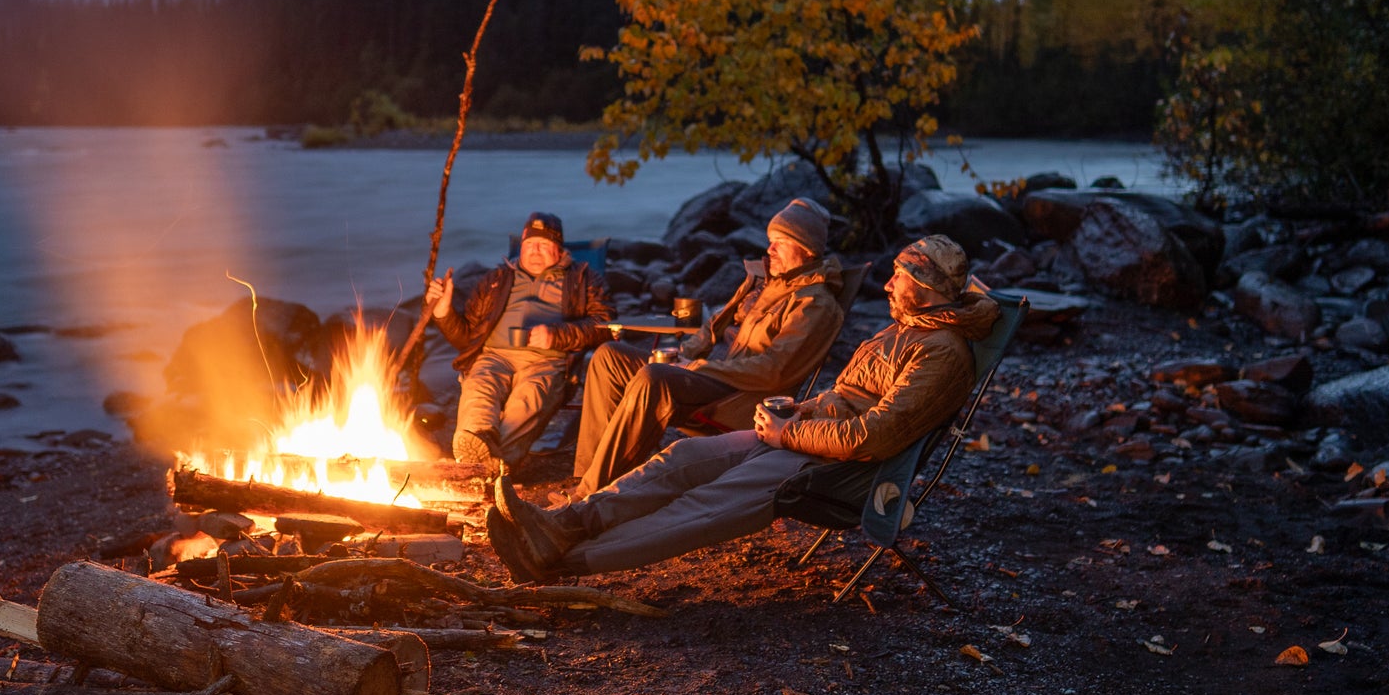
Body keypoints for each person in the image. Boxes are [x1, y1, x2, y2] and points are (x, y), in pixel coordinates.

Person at [485, 234, 998, 582]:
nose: (888, 285)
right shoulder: (910, 328)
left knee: (701, 507)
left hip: (834, 470)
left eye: (899, 277)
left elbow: (874, 436)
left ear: (926, 286)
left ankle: (558, 562)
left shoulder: (941, 353)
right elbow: (847, 397)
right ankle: (564, 522)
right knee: (678, 461)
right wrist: (799, 410)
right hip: (806, 438)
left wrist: (786, 436)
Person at [573, 197, 844, 495]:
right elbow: (713, 326)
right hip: (710, 376)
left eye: (779, 242)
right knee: (610, 356)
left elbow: (775, 372)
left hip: (740, 396)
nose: (769, 250)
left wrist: (694, 367)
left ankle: (593, 495)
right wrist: (685, 353)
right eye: (770, 241)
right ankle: (589, 478)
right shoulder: (765, 283)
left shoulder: (814, 303)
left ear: (806, 249)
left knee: (655, 379)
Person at [426, 211, 616, 464]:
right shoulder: (497, 279)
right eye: (529, 245)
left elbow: (605, 324)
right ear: (521, 247)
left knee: (527, 400)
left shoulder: (582, 279)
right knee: (478, 391)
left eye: (544, 245)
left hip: (547, 362)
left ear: (559, 250)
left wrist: (556, 336)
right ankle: (482, 456)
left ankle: (481, 466)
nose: (535, 251)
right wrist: (443, 310)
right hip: (493, 357)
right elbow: (466, 341)